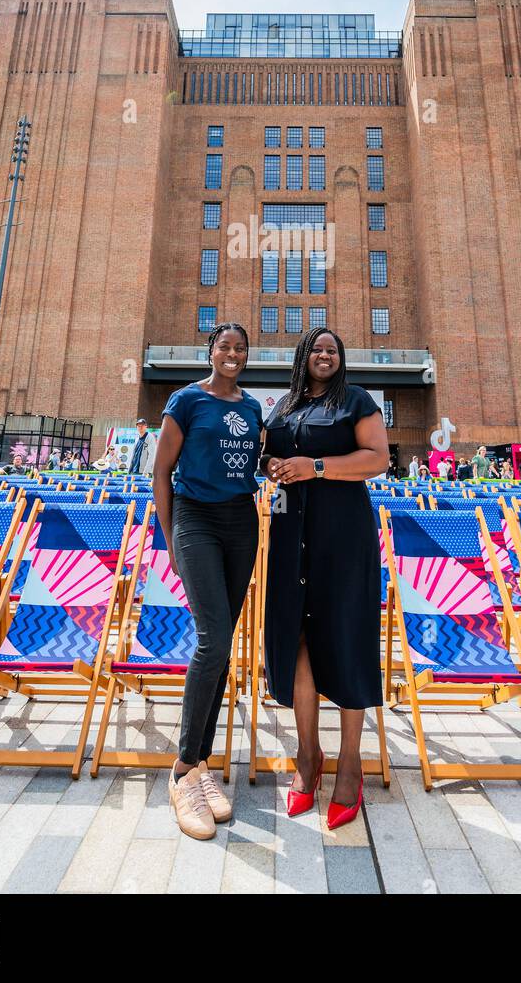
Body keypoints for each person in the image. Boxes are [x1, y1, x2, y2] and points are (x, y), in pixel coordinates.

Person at [263, 328, 389, 831]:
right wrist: (274, 465)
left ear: (341, 360)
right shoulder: (286, 406)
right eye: (316, 349)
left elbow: (377, 460)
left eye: (332, 350)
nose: (324, 355)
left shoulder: (355, 401)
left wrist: (314, 466)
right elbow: (267, 456)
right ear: (303, 356)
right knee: (298, 641)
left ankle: (350, 764)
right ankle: (309, 757)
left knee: (347, 639)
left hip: (343, 535)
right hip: (292, 530)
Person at [154, 322, 263, 842]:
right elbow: (161, 472)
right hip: (195, 519)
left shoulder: (251, 407)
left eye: (240, 348)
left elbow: (252, 467)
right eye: (224, 346)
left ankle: (201, 766)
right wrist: (170, 536)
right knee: (212, 639)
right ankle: (182, 771)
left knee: (220, 647)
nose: (233, 354)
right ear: (211, 351)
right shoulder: (185, 400)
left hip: (242, 524)